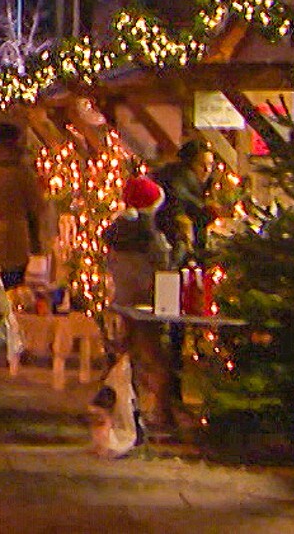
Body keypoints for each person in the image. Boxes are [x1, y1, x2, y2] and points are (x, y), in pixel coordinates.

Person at [104, 174, 176, 428]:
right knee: (154, 355)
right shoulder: (150, 236)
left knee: (127, 353)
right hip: (149, 300)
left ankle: (127, 407)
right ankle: (158, 411)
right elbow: (163, 265)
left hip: (123, 298)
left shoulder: (116, 233)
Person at [0, 120, 47, 292]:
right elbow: (35, 208)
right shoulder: (23, 171)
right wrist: (37, 244)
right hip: (17, 242)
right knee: (12, 292)